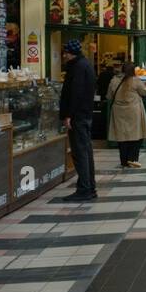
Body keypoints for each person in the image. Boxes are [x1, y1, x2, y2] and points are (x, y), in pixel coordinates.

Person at [59, 39, 98, 200]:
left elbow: (76, 93)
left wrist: (69, 115)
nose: (64, 55)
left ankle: (84, 189)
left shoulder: (78, 67)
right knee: (86, 152)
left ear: (71, 53)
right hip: (84, 115)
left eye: (66, 52)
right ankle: (89, 187)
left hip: (79, 117)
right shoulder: (85, 65)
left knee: (80, 152)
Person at [107, 61, 146, 168]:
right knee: (136, 135)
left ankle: (124, 160)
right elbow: (145, 92)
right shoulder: (135, 81)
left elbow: (109, 96)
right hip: (133, 111)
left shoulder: (114, 81)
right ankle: (133, 159)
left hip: (118, 112)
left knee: (122, 136)